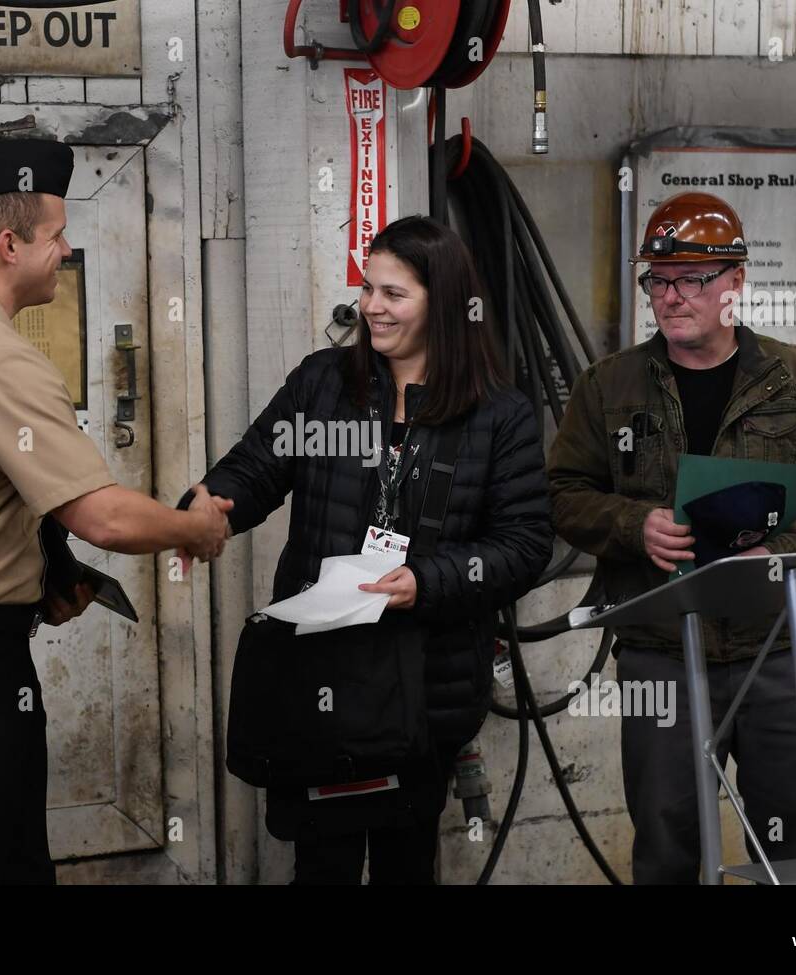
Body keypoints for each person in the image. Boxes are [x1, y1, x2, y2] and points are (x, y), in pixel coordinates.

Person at [0, 139, 232, 884]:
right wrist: (198, 528)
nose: (65, 250)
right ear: (8, 244)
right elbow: (106, 518)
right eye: (55, 234)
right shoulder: (0, 360)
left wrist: (40, 573)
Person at [180, 216, 553, 884]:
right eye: (367, 288)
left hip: (423, 683)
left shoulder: (499, 415)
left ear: (442, 305)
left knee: (407, 860)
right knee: (321, 860)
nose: (371, 307)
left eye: (393, 294)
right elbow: (259, 466)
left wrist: (427, 581)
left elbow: (525, 545)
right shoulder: (325, 384)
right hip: (323, 669)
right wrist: (209, 506)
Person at [547, 191, 796, 883]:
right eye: (658, 281)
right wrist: (634, 525)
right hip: (662, 653)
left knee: (791, 848)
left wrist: (779, 555)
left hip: (778, 648)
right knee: (667, 845)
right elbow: (559, 495)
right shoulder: (608, 387)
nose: (670, 297)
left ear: (735, 281)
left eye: (692, 279)